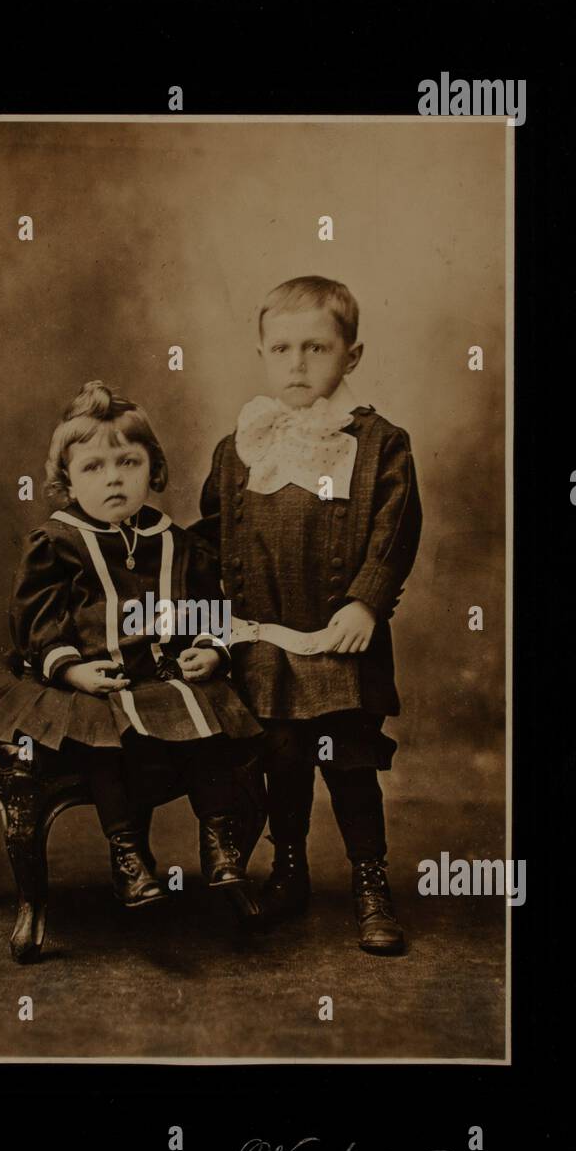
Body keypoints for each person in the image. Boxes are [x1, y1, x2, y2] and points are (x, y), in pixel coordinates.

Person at [0, 380, 262, 913]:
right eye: (94, 469)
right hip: (92, 679)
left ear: (154, 469)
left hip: (163, 675)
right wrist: (72, 671)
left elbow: (208, 605)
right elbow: (38, 621)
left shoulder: (177, 542)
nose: (114, 480)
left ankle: (219, 840)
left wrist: (210, 648)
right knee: (101, 737)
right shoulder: (57, 542)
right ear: (68, 481)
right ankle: (126, 852)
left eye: (128, 463)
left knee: (209, 722)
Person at [195, 276, 422, 953]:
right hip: (261, 639)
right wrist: (205, 625)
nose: (297, 364)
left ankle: (369, 881)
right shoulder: (238, 446)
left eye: (316, 348)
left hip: (336, 639)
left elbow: (395, 528)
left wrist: (364, 602)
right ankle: (287, 867)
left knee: (347, 763)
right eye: (282, 347)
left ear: (349, 356)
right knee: (281, 759)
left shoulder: (379, 441)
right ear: (262, 352)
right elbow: (210, 538)